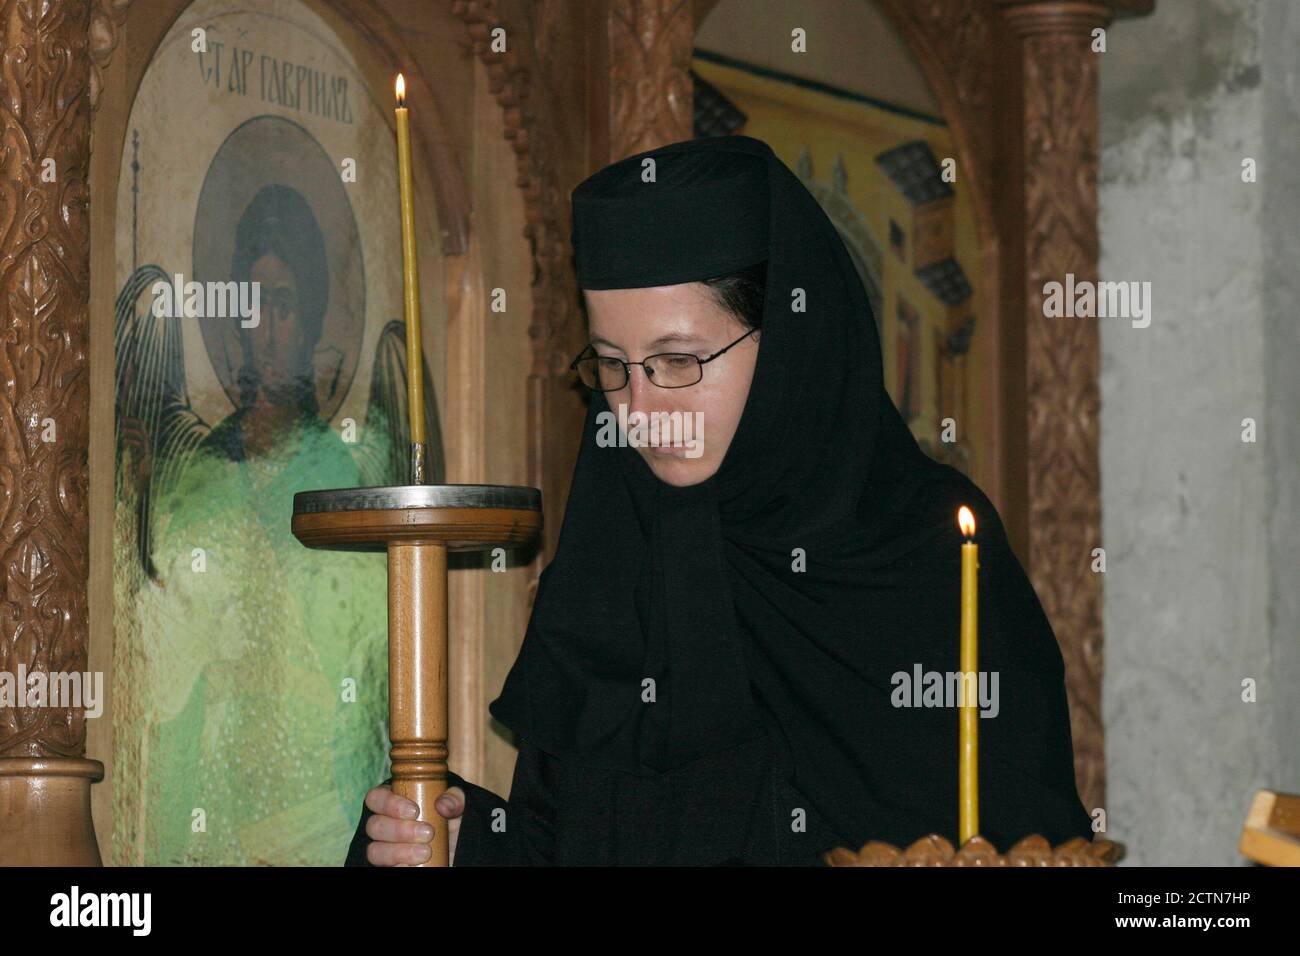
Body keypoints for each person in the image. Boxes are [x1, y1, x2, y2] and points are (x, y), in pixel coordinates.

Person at [345, 134, 1094, 866]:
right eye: (611, 365)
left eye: (676, 360)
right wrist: (461, 839)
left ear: (790, 340)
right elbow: (570, 837)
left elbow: (1021, 846)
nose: (637, 411)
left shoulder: (929, 554)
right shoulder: (619, 549)